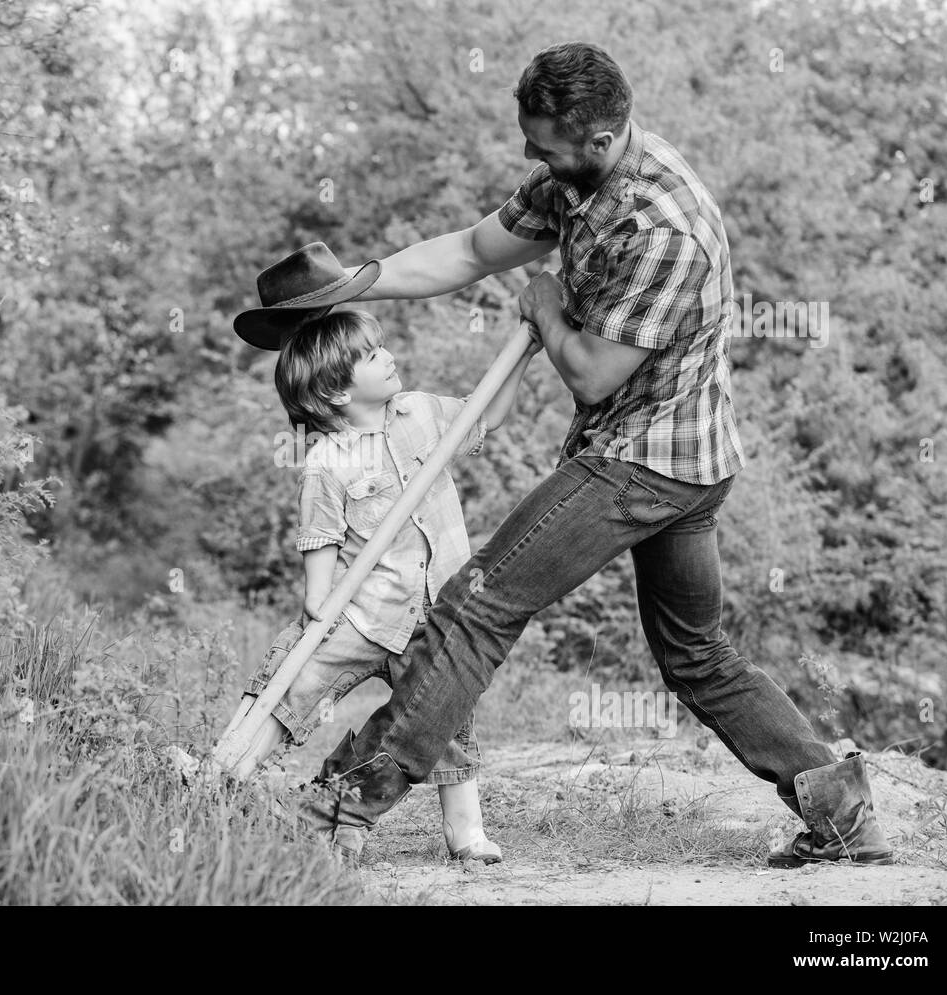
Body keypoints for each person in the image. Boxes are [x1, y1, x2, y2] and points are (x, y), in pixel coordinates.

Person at [295, 42, 893, 868]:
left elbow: (591, 369)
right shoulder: (574, 177)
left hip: (647, 461)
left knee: (477, 604)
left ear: (601, 138)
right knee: (697, 655)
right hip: (682, 454)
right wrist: (358, 282)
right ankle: (840, 811)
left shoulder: (665, 229)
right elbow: (469, 252)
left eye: (544, 146)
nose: (530, 159)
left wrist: (544, 306)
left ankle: (340, 804)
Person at [225, 243, 540, 862]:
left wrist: (525, 351)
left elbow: (487, 416)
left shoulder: (421, 413)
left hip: (437, 611)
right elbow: (319, 535)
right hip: (362, 612)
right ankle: (226, 769)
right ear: (337, 392)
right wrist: (318, 601)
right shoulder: (328, 460)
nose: (389, 356)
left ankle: (466, 832)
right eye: (372, 356)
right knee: (297, 679)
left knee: (448, 714)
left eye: (381, 347)